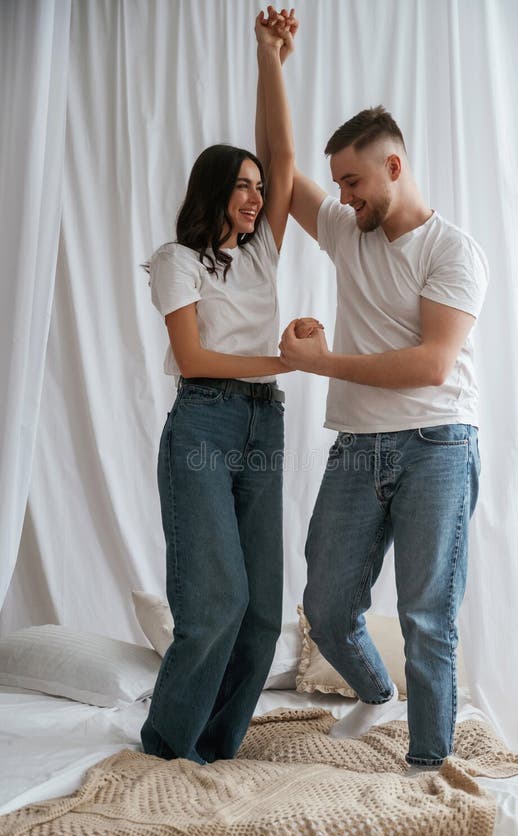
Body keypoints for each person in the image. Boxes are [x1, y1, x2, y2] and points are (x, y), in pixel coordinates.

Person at [279, 104, 489, 769]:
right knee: (327, 603)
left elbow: (431, 365)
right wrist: (270, 60)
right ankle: (377, 694)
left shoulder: (453, 250)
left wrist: (322, 364)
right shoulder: (348, 232)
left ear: (393, 167)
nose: (341, 198)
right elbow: (282, 175)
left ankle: (428, 768)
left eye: (352, 181)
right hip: (357, 446)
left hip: (439, 445)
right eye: (337, 185)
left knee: (428, 617)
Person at [140, 8, 317, 764]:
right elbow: (195, 358)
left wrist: (268, 56)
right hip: (206, 426)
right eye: (240, 186)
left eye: (256, 188)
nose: (256, 195)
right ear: (214, 191)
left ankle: (213, 754)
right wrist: (283, 362)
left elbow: (283, 154)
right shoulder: (177, 260)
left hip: (262, 427)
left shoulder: (261, 254)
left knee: (261, 615)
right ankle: (164, 748)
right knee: (214, 605)